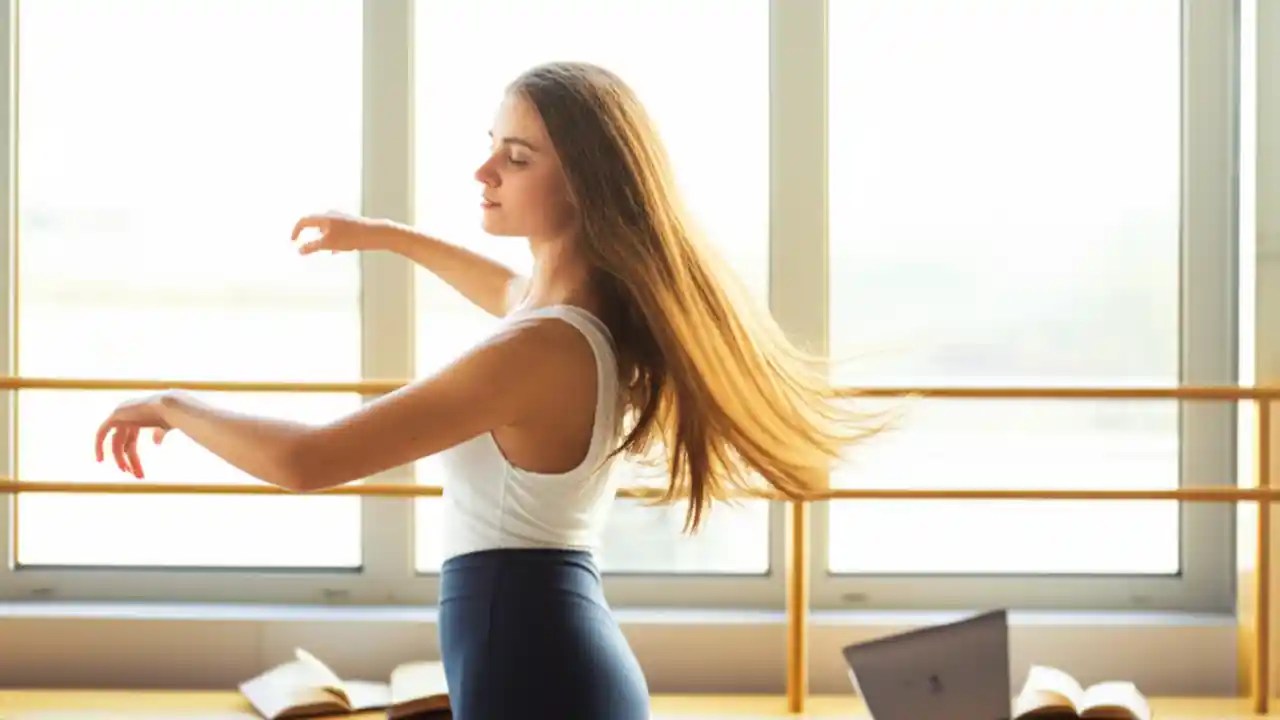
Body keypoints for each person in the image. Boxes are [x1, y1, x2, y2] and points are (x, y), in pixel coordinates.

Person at [93, 61, 886, 719]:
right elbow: (505, 288)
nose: (483, 172)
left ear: (582, 181)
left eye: (516, 156)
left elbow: (308, 460)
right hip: (543, 645)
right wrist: (380, 235)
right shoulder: (572, 316)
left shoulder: (541, 346)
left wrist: (173, 405)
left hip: (530, 657)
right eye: (491, 147)